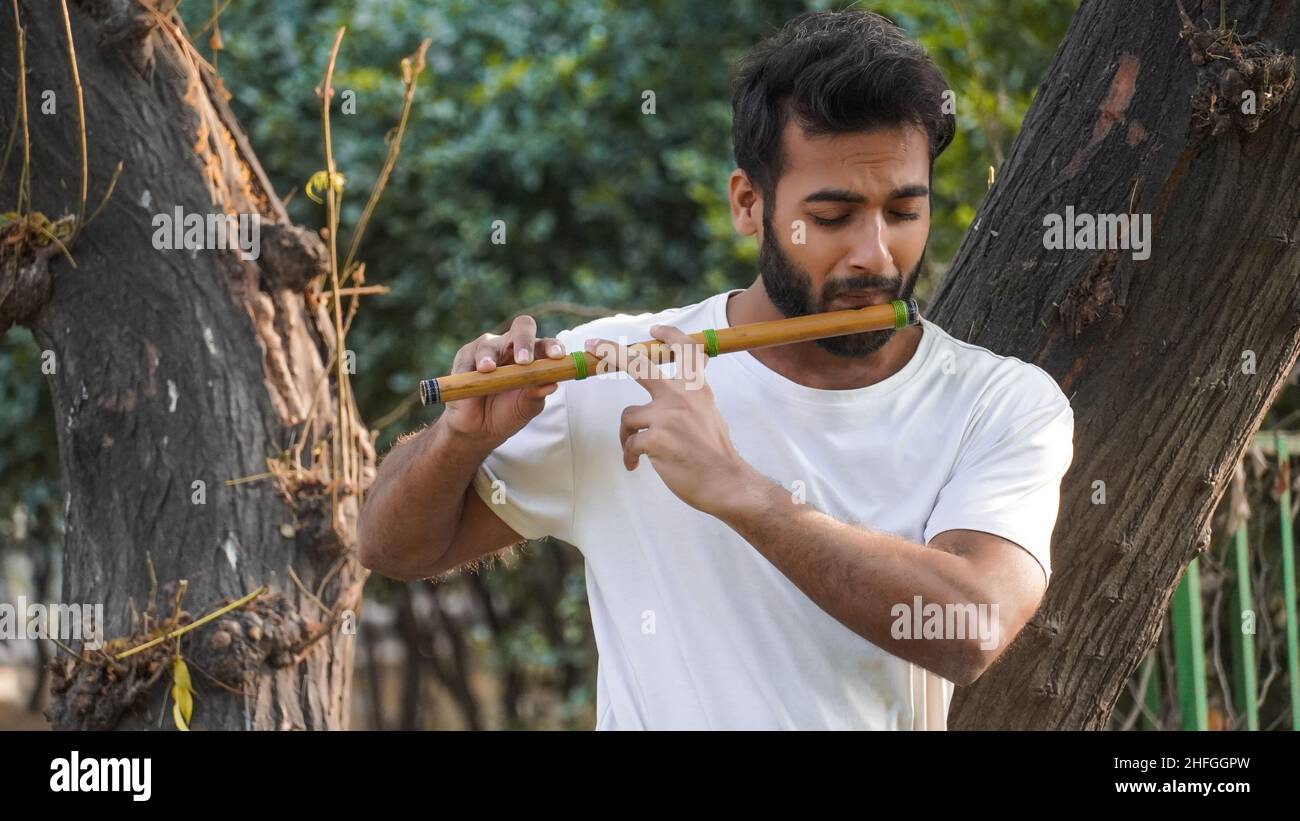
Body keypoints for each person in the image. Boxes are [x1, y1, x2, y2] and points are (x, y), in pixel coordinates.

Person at [359, 8, 1075, 730]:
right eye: (832, 217)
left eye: (902, 211)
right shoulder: (624, 371)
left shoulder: (999, 402)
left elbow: (970, 626)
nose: (876, 254)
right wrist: (460, 438)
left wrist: (738, 489)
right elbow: (389, 546)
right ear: (747, 203)